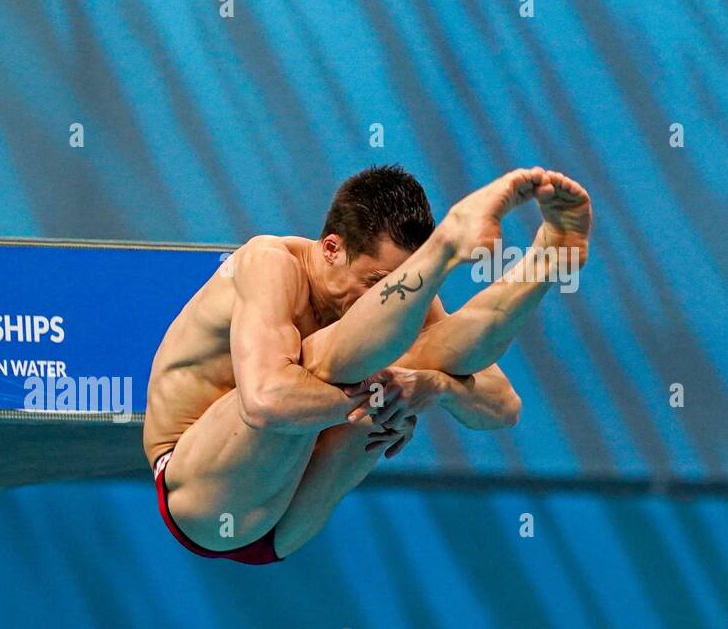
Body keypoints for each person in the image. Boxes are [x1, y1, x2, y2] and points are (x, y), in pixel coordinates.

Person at [144, 164, 592, 564]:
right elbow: (264, 403)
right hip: (204, 495)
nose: (386, 298)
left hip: (289, 520)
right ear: (332, 248)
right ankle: (446, 247)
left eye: (400, 282)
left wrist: (434, 389)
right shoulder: (269, 264)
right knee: (319, 364)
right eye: (378, 283)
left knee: (422, 365)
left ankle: (548, 257)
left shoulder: (397, 296)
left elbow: (502, 408)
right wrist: (373, 398)